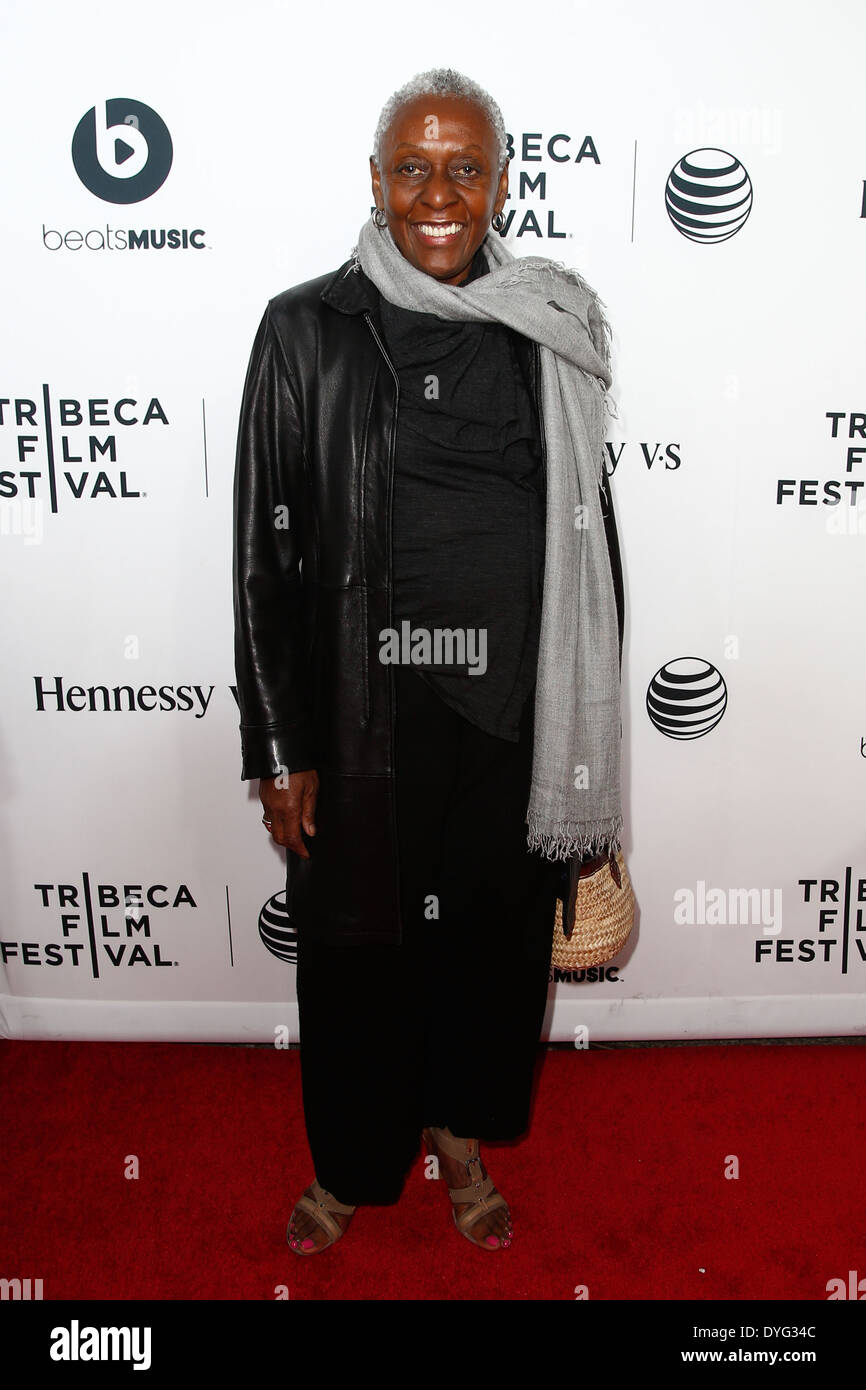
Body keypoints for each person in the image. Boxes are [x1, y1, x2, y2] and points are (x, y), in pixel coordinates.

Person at [232, 68, 625, 1255]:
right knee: (358, 963)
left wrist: (580, 741)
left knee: (486, 958)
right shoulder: (305, 329)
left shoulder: (543, 324)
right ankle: (352, 1163)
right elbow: (263, 557)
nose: (438, 192)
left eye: (463, 167)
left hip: (510, 715)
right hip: (363, 718)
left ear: (499, 181)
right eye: (413, 168)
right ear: (376, 180)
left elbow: (587, 536)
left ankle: (457, 1139)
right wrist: (279, 746)